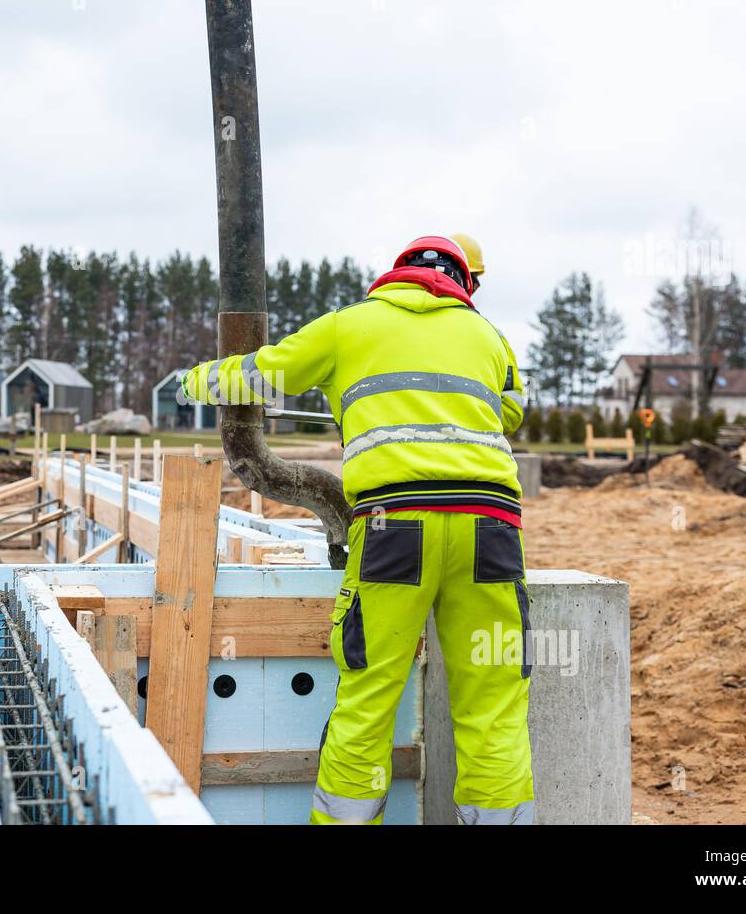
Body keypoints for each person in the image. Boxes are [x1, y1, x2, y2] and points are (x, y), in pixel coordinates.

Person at [182, 234, 534, 824]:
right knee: (495, 705)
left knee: (368, 700)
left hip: (394, 530)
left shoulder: (348, 326)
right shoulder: (489, 337)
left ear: (396, 274)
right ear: (464, 283)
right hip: (491, 530)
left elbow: (260, 377)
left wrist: (194, 381)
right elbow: (512, 411)